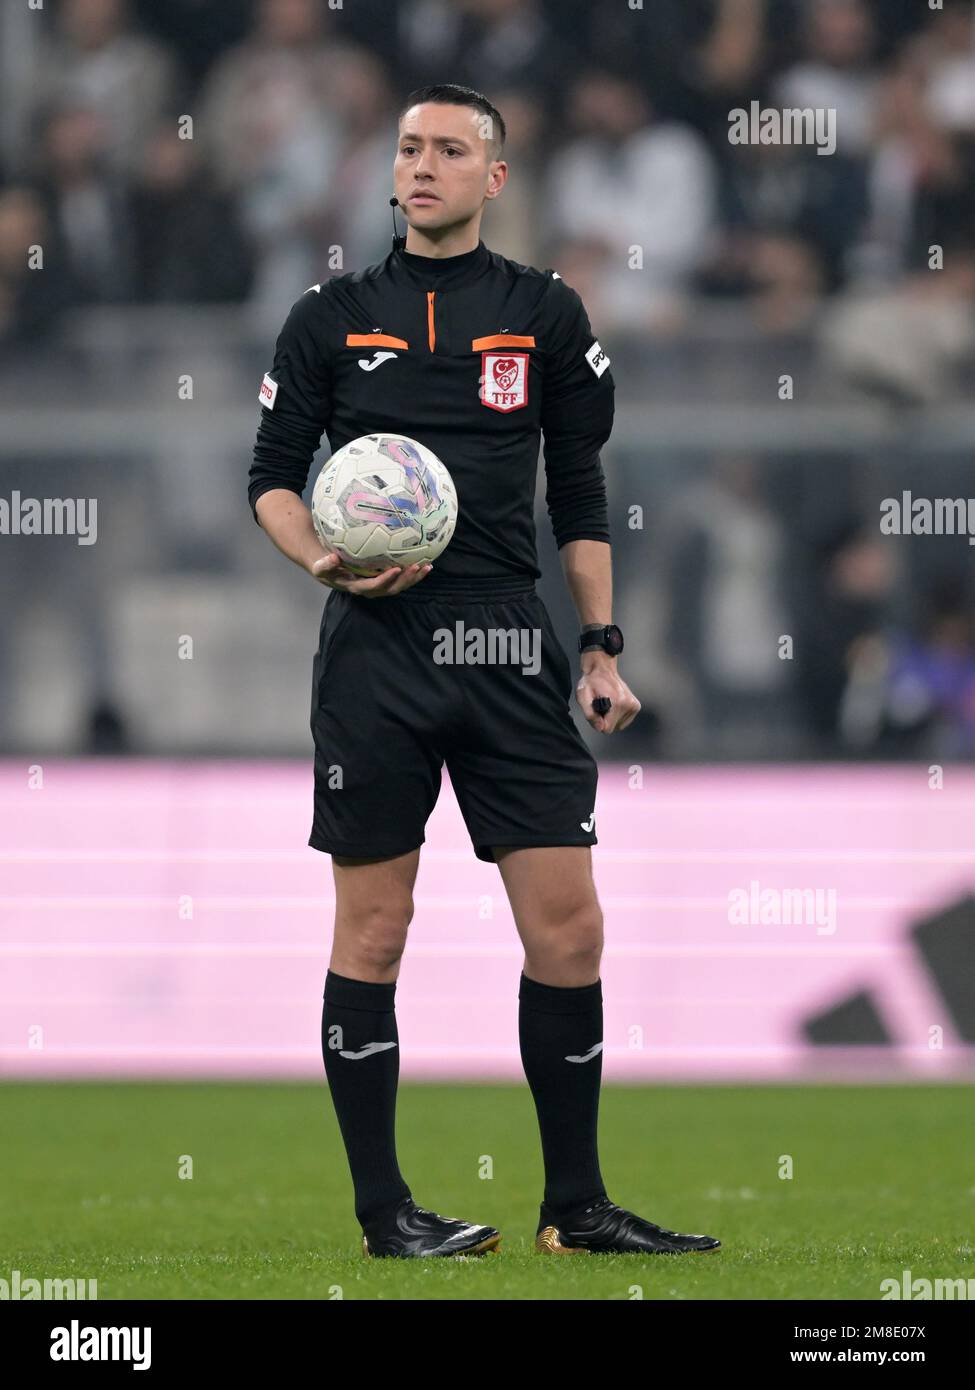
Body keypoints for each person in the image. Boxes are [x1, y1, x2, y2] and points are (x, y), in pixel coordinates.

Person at [248, 83, 719, 1259]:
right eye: (409, 148)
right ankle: (383, 1215)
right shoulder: (330, 315)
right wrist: (320, 559)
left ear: (496, 178)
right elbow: (266, 471)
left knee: (569, 931)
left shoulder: (547, 313)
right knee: (374, 932)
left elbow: (581, 489)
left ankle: (577, 1207)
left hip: (512, 643)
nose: (422, 166)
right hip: (378, 652)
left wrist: (602, 643)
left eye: (450, 150)